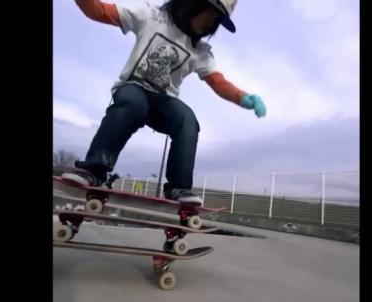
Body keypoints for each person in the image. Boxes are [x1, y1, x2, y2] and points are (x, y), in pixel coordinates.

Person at [62, 0, 266, 206]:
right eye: (210, 13)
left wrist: (243, 97)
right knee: (133, 103)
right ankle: (94, 170)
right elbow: (100, 11)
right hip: (134, 87)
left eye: (217, 20)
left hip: (163, 101)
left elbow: (218, 82)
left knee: (187, 120)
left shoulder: (200, 51)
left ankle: (179, 187)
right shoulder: (152, 17)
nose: (211, 23)